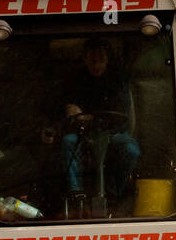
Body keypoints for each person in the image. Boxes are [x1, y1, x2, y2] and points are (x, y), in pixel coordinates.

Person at [60, 39, 139, 211]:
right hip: (82, 133)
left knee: (131, 149)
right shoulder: (75, 80)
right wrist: (70, 111)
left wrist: (88, 117)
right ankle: (76, 193)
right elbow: (68, 108)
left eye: (100, 59)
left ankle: (114, 192)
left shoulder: (118, 81)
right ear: (85, 59)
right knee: (68, 142)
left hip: (112, 133)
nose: (96, 64)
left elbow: (121, 115)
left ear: (107, 59)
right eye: (92, 59)